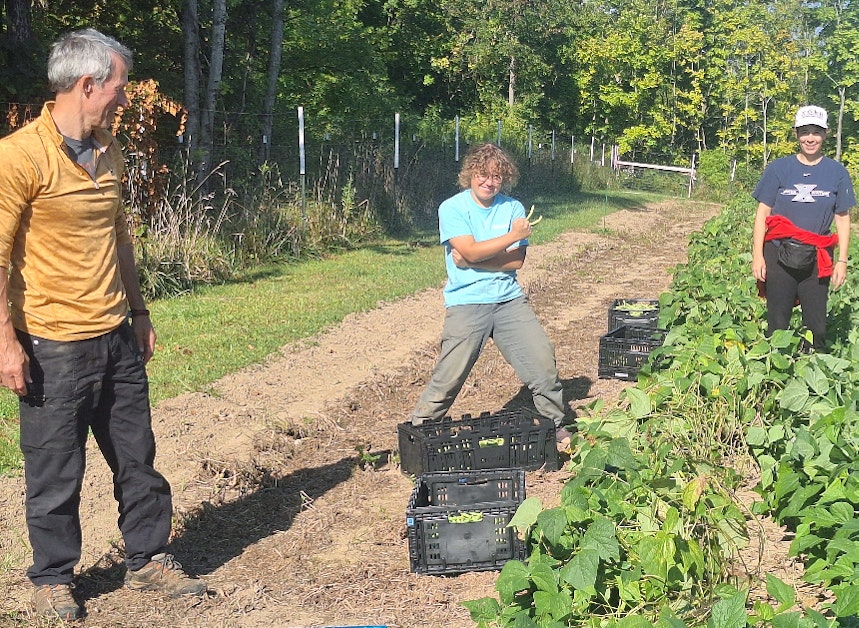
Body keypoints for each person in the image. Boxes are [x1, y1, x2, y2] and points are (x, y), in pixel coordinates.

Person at [0, 29, 206, 621]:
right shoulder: (19, 156)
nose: (123, 98)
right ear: (87, 85)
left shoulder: (108, 149)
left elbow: (119, 240)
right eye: (118, 87)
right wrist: (7, 343)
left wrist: (138, 313)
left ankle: (148, 562)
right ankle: (52, 578)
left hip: (116, 334)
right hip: (52, 344)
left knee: (137, 457)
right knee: (55, 469)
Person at [410, 142, 572, 442]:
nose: (489, 182)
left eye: (497, 176)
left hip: (509, 300)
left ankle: (555, 424)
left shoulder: (512, 208)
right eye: (483, 174)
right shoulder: (453, 208)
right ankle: (418, 433)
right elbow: (470, 250)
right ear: (470, 174)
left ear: (505, 178)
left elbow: (516, 260)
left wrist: (475, 260)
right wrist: (510, 237)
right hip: (467, 302)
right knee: (449, 377)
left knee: (542, 361)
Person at [752, 105, 855, 351]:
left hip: (818, 257)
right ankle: (775, 372)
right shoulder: (779, 168)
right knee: (777, 322)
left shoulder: (837, 173)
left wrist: (842, 261)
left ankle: (811, 368)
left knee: (817, 326)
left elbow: (842, 218)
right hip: (778, 252)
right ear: (796, 134)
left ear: (826, 134)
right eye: (805, 132)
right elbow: (762, 214)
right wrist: (757, 255)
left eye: (816, 132)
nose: (810, 138)